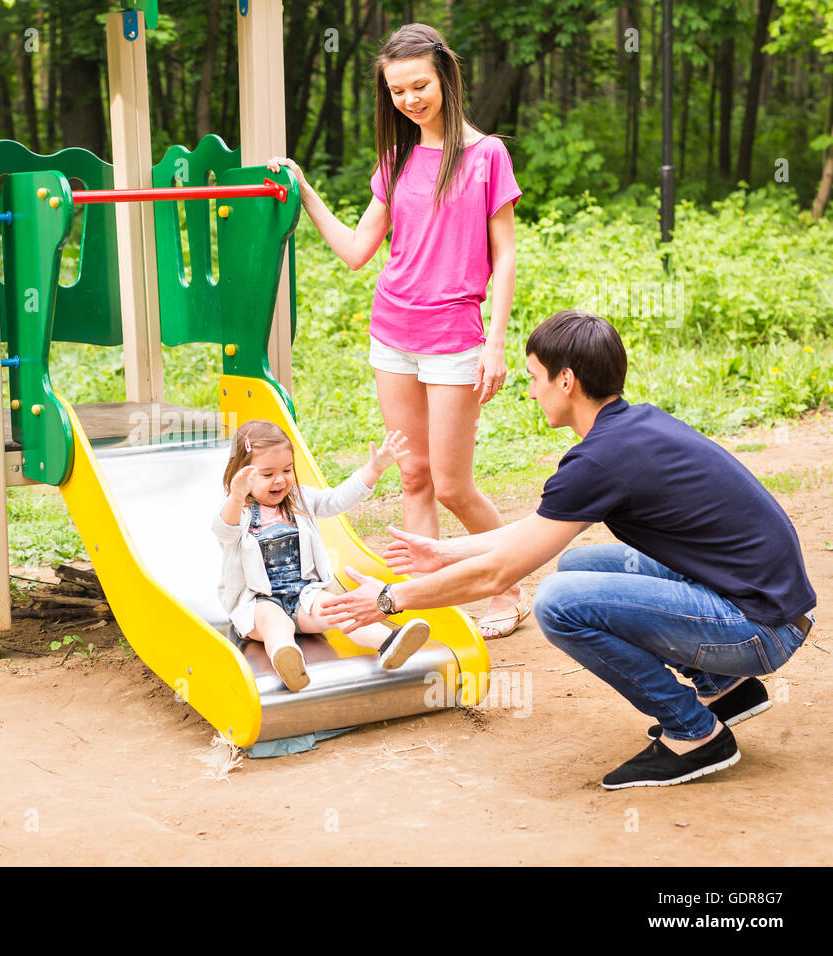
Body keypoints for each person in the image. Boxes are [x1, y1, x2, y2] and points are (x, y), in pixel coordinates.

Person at [320, 310, 817, 789]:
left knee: (558, 602)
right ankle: (725, 689)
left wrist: (388, 600)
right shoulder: (629, 428)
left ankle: (694, 734)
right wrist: (444, 551)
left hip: (757, 629)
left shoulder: (599, 461)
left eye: (535, 377)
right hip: (767, 606)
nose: (530, 390)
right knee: (578, 564)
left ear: (566, 380)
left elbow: (496, 578)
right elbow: (538, 529)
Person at [267, 21, 528, 641]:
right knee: (413, 477)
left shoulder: (487, 154)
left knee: (454, 483)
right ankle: (426, 607)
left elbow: (507, 256)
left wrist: (496, 344)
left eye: (420, 85)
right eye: (397, 91)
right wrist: (305, 193)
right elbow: (360, 251)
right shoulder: (396, 159)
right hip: (392, 336)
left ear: (445, 78)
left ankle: (509, 589)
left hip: (456, 340)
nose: (409, 99)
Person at [213, 419, 430, 692]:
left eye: (287, 470)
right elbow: (224, 531)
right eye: (267, 474)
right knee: (274, 622)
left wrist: (374, 469)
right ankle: (287, 659)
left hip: (305, 596)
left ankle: (390, 643)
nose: (280, 479)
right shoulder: (239, 513)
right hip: (258, 602)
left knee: (340, 608)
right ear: (244, 476)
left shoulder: (300, 500)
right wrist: (235, 497)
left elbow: (337, 500)